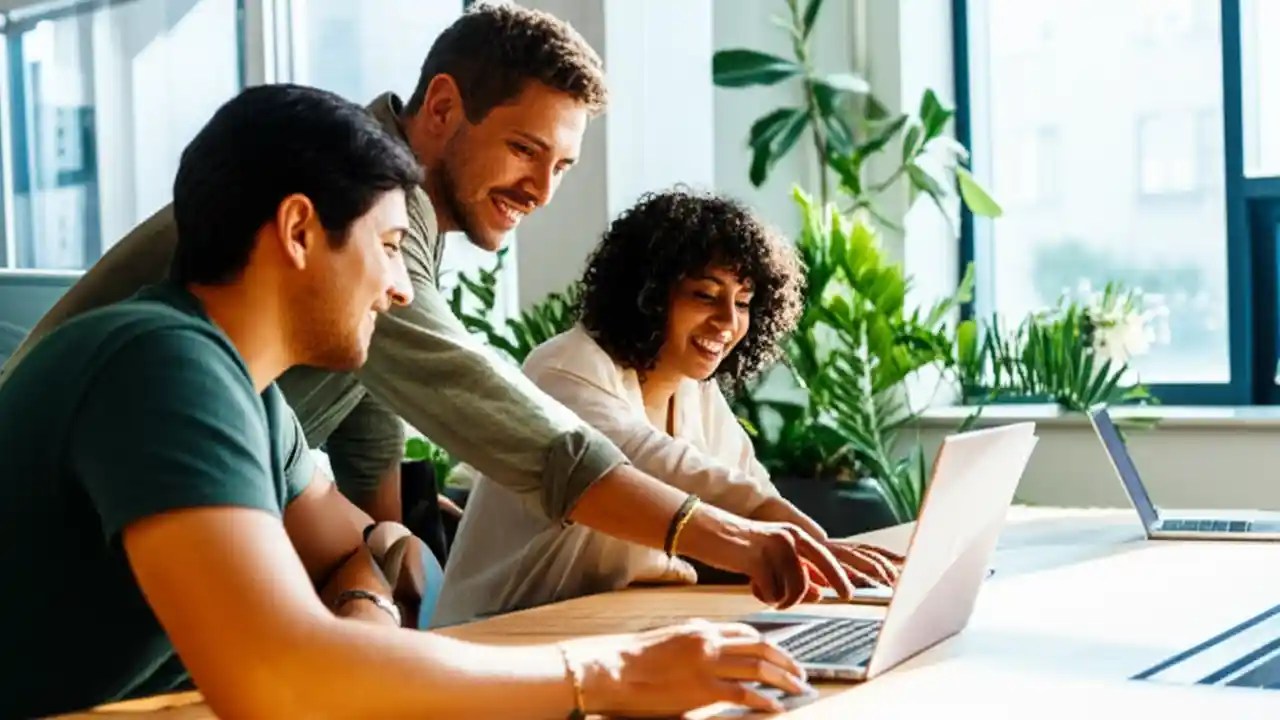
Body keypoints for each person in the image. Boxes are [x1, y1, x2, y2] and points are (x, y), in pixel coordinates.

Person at [0, 1, 867, 608]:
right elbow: (522, 428)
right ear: (444, 108)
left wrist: (386, 553)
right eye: (525, 149)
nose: (540, 189)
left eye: (561, 167)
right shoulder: (343, 196)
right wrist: (734, 539)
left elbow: (368, 439)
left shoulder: (388, 258)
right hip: (63, 548)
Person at [0, 85, 813, 720]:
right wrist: (608, 672)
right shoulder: (160, 363)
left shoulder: (251, 402)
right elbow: (283, 675)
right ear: (297, 231)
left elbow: (364, 545)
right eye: (389, 248)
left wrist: (356, 597)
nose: (398, 288)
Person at [434, 189, 905, 626]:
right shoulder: (566, 367)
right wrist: (808, 541)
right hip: (502, 632)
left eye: (743, 302)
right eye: (705, 295)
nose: (728, 321)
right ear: (649, 293)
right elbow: (647, 464)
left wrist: (826, 556)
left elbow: (751, 489)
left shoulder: (695, 390)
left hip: (617, 623)